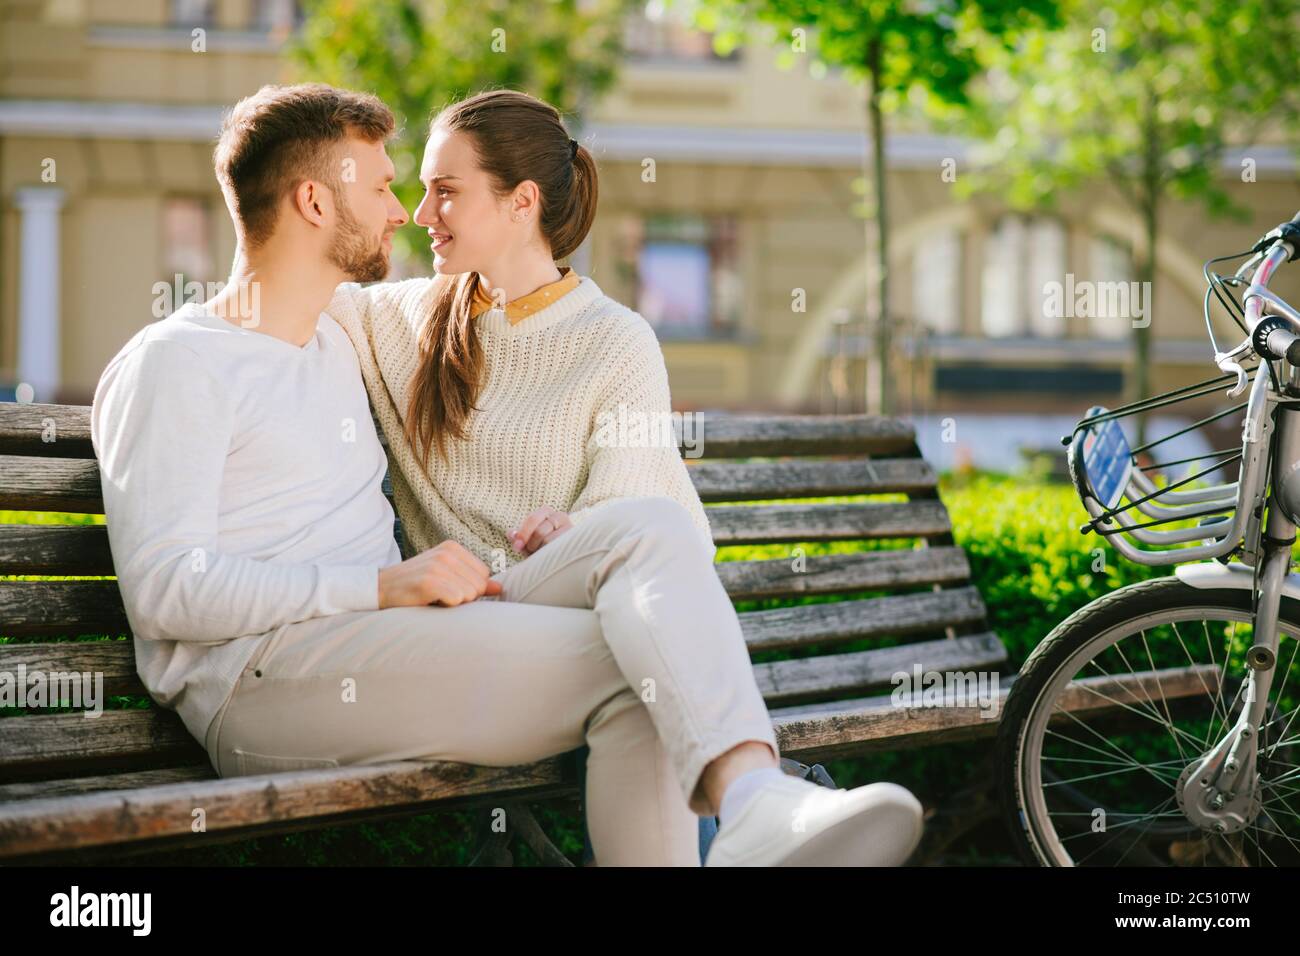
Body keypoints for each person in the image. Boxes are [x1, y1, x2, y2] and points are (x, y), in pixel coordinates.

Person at [323, 87, 925, 866]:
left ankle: (749, 808)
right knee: (651, 569)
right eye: (421, 189)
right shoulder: (391, 321)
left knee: (645, 577)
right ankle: (752, 798)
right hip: (474, 617)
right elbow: (276, 290)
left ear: (522, 202)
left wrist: (578, 528)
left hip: (577, 604)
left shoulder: (615, 339)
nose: (420, 210)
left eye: (446, 190)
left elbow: (631, 488)